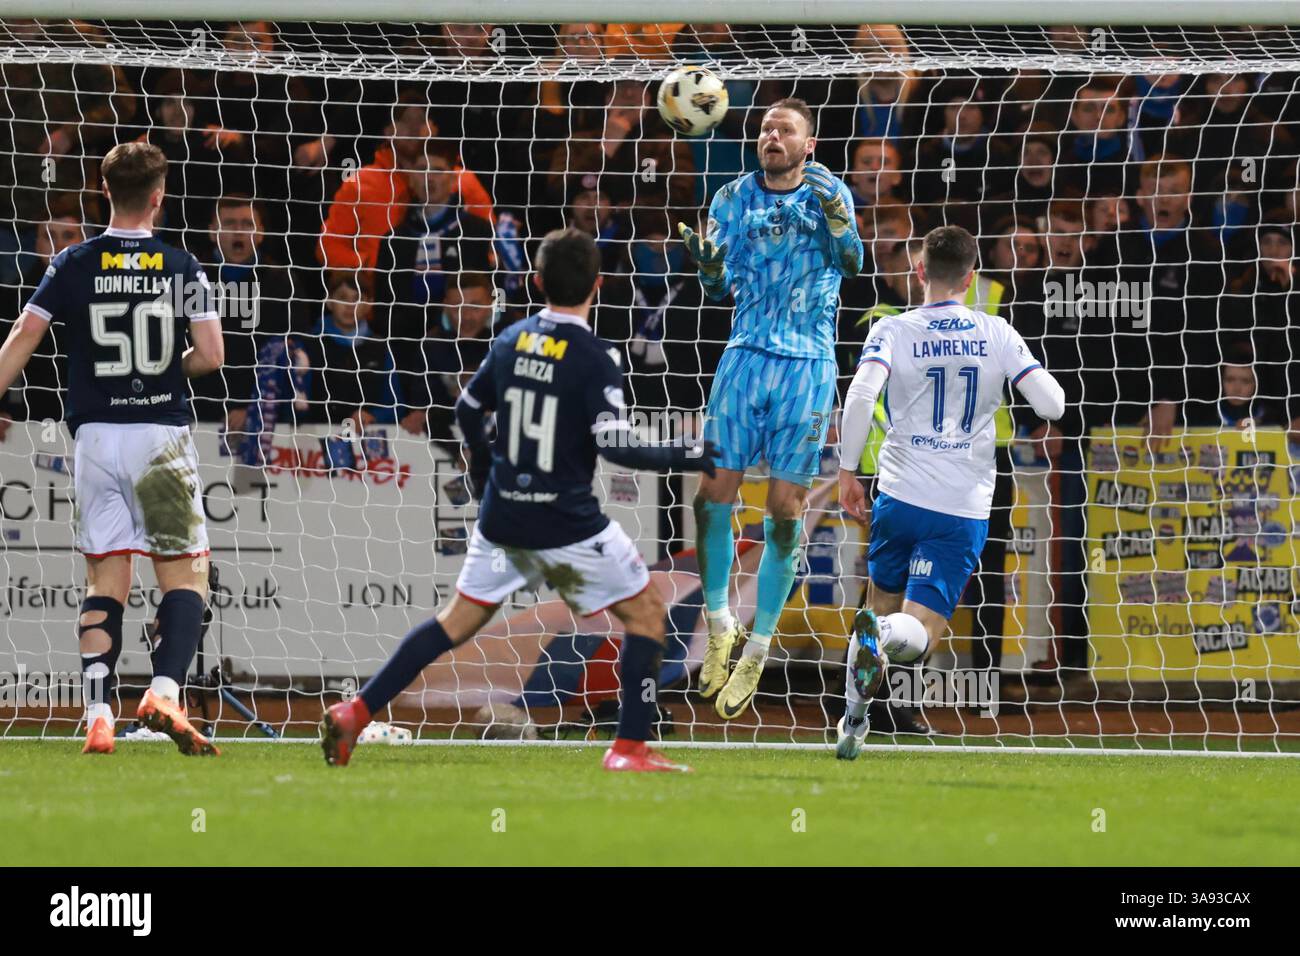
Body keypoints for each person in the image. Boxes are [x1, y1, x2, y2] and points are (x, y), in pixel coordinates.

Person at [320, 228, 719, 773]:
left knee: (453, 624)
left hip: (504, 515)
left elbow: (464, 409)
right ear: (598, 286)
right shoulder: (595, 355)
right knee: (647, 612)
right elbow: (615, 443)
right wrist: (688, 452)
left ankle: (357, 709)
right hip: (567, 521)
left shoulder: (512, 340)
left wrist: (486, 479)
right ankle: (629, 749)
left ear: (536, 282)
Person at [0, 142, 225, 756]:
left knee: (105, 578)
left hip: (95, 438)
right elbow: (211, 356)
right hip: (160, 434)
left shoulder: (72, 261)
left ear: (104, 191)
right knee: (186, 575)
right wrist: (164, 370)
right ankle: (163, 691)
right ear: (159, 195)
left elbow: (25, 334)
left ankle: (98, 714)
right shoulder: (184, 265)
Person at [833, 225, 1065, 759]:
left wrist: (848, 472)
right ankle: (885, 636)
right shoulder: (997, 330)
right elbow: (1050, 405)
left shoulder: (894, 329)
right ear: (971, 276)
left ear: (920, 272)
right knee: (920, 633)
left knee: (878, 601)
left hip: (897, 493)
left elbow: (861, 394)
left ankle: (855, 721)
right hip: (960, 505)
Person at [677, 97, 863, 720]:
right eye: (765, 130)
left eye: (785, 130)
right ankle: (721, 622)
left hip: (806, 369)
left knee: (786, 512)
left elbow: (854, 263)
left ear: (808, 144)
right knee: (713, 493)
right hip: (745, 357)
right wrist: (705, 267)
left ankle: (758, 647)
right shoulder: (729, 197)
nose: (772, 136)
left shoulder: (829, 192)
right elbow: (717, 284)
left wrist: (838, 219)